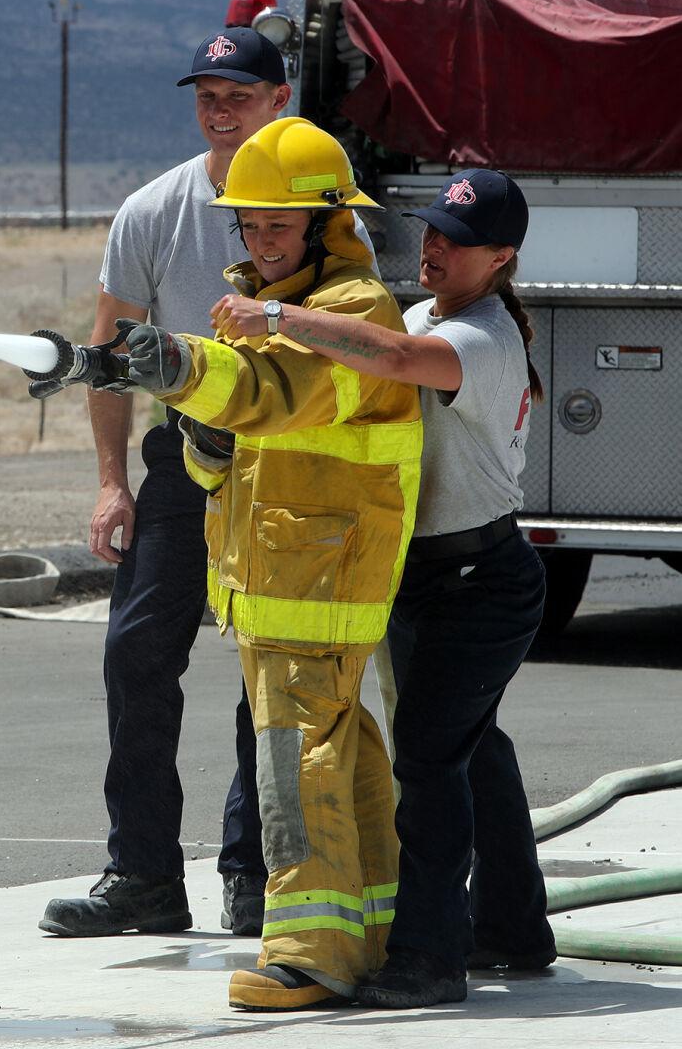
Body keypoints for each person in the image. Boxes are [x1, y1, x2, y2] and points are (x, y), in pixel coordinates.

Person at [212, 169, 554, 1007]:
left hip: (480, 581)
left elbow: (396, 360)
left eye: (459, 240)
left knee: (431, 765)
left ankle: (430, 961)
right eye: (432, 230)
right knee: (473, 751)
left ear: (501, 258)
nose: (435, 247)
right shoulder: (420, 313)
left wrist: (277, 313)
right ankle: (514, 929)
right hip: (422, 575)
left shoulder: (479, 340)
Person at [107, 117, 421, 1010]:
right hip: (282, 575)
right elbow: (223, 457)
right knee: (345, 751)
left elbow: (275, 392)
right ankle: (369, 932)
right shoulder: (261, 307)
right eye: (247, 223)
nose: (258, 239)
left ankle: (307, 954)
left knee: (295, 763)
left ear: (328, 224)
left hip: (317, 577)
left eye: (277, 224)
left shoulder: (352, 312)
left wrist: (181, 364)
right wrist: (192, 415)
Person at [42, 28, 298, 940]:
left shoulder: (321, 198)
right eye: (207, 93)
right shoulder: (152, 210)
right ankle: (143, 874)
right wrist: (113, 484)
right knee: (136, 653)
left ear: (280, 97)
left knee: (266, 668)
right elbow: (109, 359)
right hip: (183, 461)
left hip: (289, 464)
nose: (220, 107)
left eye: (239, 91)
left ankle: (256, 872)